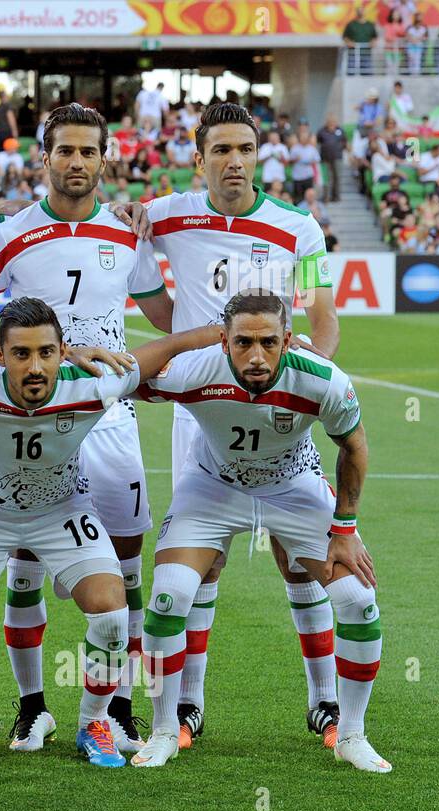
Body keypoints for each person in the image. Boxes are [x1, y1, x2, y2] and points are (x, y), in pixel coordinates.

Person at [116, 102, 342, 751]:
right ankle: (186, 707)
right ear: (200, 157)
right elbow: (155, 307)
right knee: (200, 563)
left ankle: (325, 702)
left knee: (299, 560)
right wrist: (188, 334)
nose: (235, 160)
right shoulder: (165, 214)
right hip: (203, 412)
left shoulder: (296, 227)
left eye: (245, 147)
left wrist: (307, 379)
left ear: (259, 153)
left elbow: (321, 314)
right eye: (221, 149)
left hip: (279, 415)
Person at [0, 299, 222, 768]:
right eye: (20, 354)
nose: (35, 366)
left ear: (63, 352)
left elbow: (171, 345)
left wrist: (236, 336)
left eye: (46, 352)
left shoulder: (94, 383)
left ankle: (93, 722)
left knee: (112, 612)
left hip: (62, 511)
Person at [0, 104, 173, 752]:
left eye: (89, 151)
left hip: (110, 417)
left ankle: (116, 706)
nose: (77, 162)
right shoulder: (12, 234)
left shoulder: (125, 232)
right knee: (27, 557)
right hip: (34, 418)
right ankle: (32, 706)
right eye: (66, 151)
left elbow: (168, 313)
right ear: (44, 156)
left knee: (127, 564)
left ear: (104, 157)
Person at [129, 291, 389, 774]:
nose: (255, 355)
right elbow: (129, 374)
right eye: (242, 342)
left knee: (359, 600)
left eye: (268, 342)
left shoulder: (322, 380)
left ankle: (351, 734)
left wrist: (345, 528)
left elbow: (354, 446)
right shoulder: (196, 369)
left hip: (294, 487)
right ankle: (164, 730)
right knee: (169, 596)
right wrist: (183, 340)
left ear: (288, 340)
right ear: (223, 343)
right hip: (211, 488)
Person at [316, 116, 347, 203]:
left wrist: (340, 148)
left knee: (337, 177)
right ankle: (326, 197)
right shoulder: (322, 131)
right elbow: (317, 141)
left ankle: (336, 196)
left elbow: (345, 141)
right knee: (326, 178)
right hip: (325, 158)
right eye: (330, 122)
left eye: (333, 122)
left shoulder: (340, 131)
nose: (332, 124)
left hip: (337, 158)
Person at [342, 5, 377, 75]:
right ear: (356, 12)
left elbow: (374, 36)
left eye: (362, 10)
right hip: (353, 53)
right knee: (351, 73)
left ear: (365, 12)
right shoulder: (351, 24)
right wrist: (349, 43)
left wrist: (373, 43)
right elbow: (345, 37)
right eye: (359, 10)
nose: (361, 12)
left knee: (367, 74)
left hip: (366, 53)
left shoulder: (370, 24)